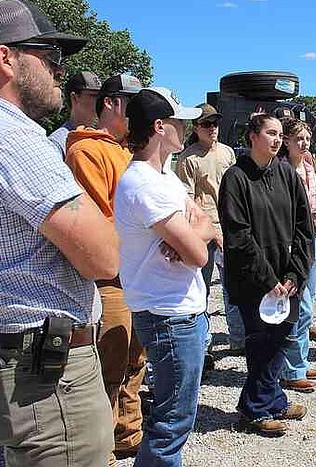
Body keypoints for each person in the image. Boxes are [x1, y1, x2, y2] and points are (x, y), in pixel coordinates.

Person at [0, 0, 117, 465]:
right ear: (7, 58)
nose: (59, 71)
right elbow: (103, 258)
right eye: (50, 57)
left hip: (18, 359)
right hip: (49, 375)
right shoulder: (8, 138)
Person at [114, 87, 214, 465]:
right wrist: (190, 239)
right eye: (179, 120)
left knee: (175, 419)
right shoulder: (146, 183)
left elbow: (204, 224)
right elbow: (200, 253)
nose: (186, 126)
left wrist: (192, 234)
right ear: (159, 127)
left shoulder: (164, 177)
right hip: (169, 317)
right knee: (172, 424)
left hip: (180, 313)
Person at [218, 113, 314, 436]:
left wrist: (295, 272)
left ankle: (272, 399)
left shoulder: (286, 173)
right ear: (252, 137)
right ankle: (253, 410)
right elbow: (238, 236)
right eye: (270, 133)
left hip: (287, 281)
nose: (276, 139)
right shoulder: (235, 178)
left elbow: (304, 226)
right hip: (253, 282)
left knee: (282, 338)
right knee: (261, 345)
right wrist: (268, 280)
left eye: (279, 134)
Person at [65, 73, 144, 462]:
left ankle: (128, 433)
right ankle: (100, 450)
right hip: (111, 277)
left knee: (135, 359)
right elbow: (99, 218)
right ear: (111, 103)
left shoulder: (125, 150)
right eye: (133, 103)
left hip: (136, 272)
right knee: (109, 363)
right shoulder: (87, 152)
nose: (140, 113)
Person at [175, 104, 243, 355]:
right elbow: (187, 201)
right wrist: (211, 231)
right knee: (201, 289)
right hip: (204, 233)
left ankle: (239, 339)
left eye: (215, 123)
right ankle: (202, 346)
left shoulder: (227, 153)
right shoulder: (188, 158)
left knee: (234, 287)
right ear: (196, 127)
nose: (212, 128)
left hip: (230, 229)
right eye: (206, 123)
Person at [278, 119, 316, 393]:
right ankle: (291, 370)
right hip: (293, 244)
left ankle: (300, 361)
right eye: (298, 138)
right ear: (287, 141)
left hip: (313, 240)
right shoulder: (282, 169)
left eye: (307, 138)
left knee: (308, 304)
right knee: (301, 307)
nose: (304, 143)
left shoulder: (308, 164)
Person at [48, 70, 101, 157]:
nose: (99, 101)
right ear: (74, 98)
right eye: (94, 95)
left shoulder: (98, 137)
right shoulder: (58, 143)